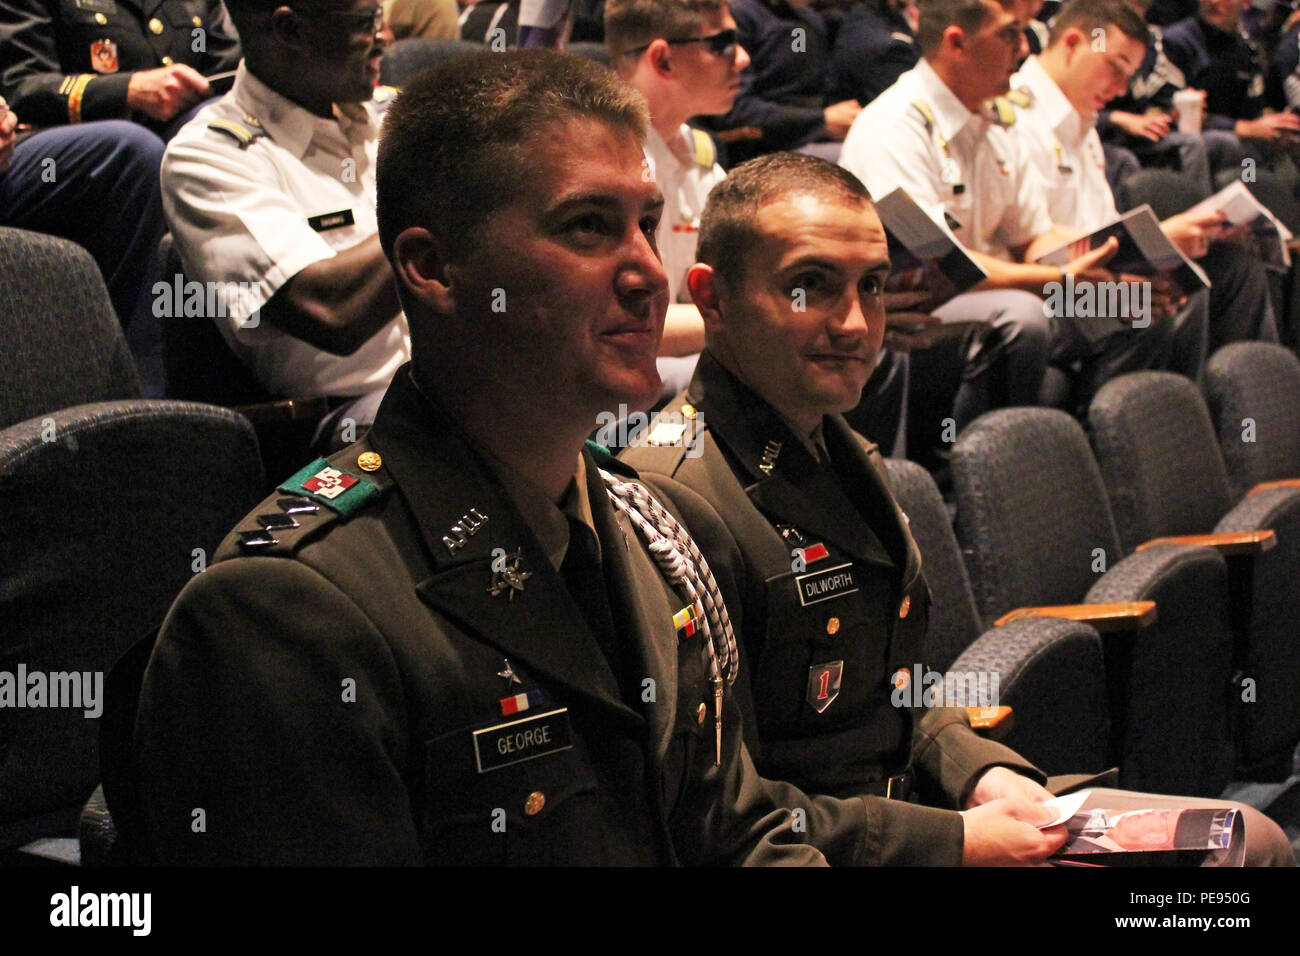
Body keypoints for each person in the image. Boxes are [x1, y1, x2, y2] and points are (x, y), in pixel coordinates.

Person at [129, 49, 856, 866]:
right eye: (587, 226)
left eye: (645, 224)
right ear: (432, 269)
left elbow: (733, 836)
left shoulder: (658, 528)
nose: (651, 274)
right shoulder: (284, 611)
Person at [620, 151, 1295, 866]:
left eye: (873, 288)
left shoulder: (842, 453)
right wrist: (959, 841)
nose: (855, 324)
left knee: (1244, 844)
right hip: (859, 851)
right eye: (808, 287)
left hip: (926, 811)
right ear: (713, 298)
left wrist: (980, 770)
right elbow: (720, 825)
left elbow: (895, 693)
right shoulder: (673, 501)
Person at [841, 0, 1198, 424]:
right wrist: (1059, 279)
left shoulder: (995, 122)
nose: (1025, 48)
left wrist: (1108, 258)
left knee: (1138, 302)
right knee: (1022, 317)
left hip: (1004, 288)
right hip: (926, 304)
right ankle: (980, 469)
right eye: (1009, 34)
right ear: (958, 43)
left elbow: (1032, 236)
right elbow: (942, 267)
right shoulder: (895, 125)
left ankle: (1097, 446)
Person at [161, 0, 410, 444]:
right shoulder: (209, 157)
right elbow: (332, 312)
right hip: (348, 423)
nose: (384, 37)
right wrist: (447, 194)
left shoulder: (392, 117)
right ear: (291, 30)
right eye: (365, 22)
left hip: (461, 379)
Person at [1014, 0, 1278, 354]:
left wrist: (1170, 241)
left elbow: (1098, 227)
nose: (1122, 90)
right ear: (1073, 43)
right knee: (1159, 302)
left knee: (1234, 268)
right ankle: (1139, 408)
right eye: (1115, 68)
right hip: (1048, 290)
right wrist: (1155, 241)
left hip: (1098, 277)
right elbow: (1031, 249)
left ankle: (1251, 401)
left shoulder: (1083, 119)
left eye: (1129, 77)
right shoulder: (1014, 117)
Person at [605, 0, 749, 389]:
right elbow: (623, 320)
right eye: (722, 43)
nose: (743, 58)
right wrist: (759, 319)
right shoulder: (605, 165)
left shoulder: (695, 150)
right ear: (664, 60)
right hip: (612, 369)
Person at [0, 0, 239, 136]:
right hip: (86, 139)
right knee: (134, 142)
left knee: (227, 122)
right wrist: (127, 90)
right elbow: (22, 86)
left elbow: (230, 67)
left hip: (186, 128)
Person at [702, 0, 863, 164]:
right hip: (765, 149)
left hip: (813, 136)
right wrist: (820, 121)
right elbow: (735, 110)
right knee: (864, 158)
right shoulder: (740, 15)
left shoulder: (804, 21)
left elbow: (803, 74)